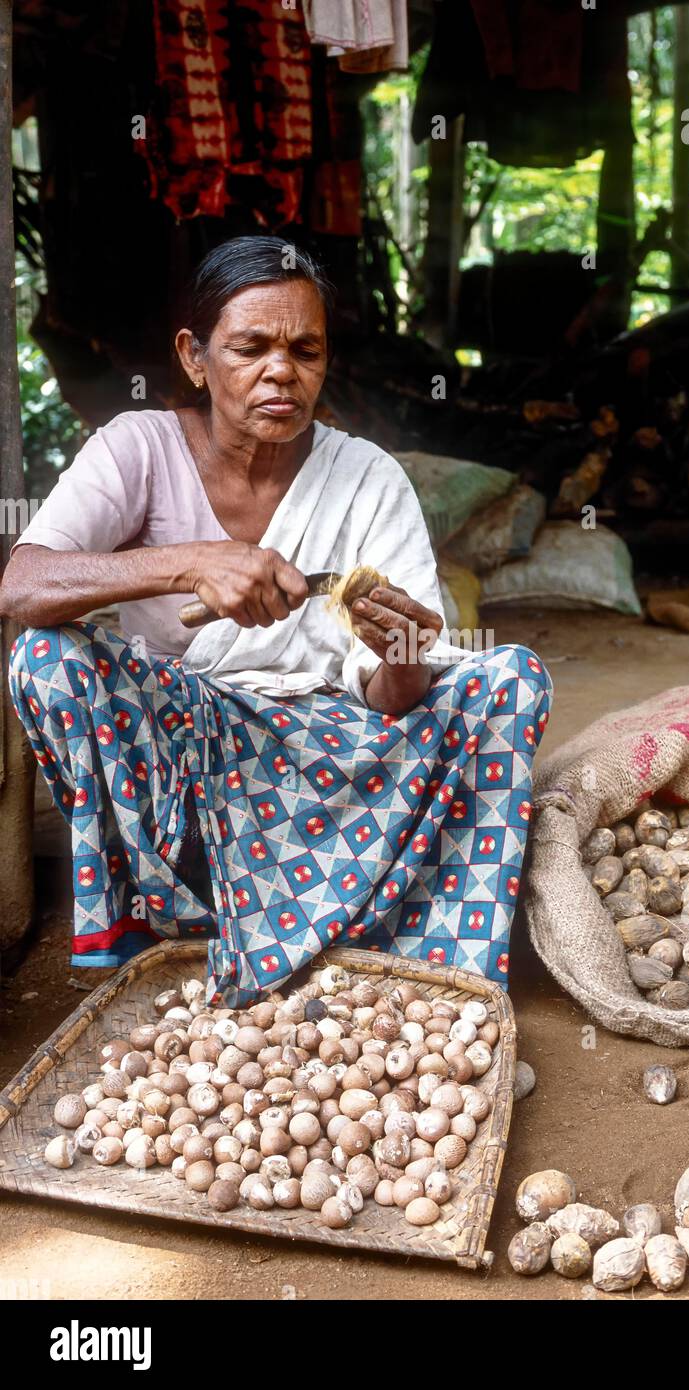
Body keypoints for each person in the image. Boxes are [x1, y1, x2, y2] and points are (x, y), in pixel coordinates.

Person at [1, 235, 552, 1006]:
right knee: (45, 656)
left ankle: (423, 947)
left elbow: (396, 697)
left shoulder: (366, 477)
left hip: (335, 746)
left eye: (305, 349)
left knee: (508, 679)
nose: (280, 371)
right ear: (195, 357)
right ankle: (173, 912)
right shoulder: (138, 449)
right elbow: (21, 586)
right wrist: (188, 562)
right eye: (249, 347)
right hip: (185, 748)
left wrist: (399, 651)